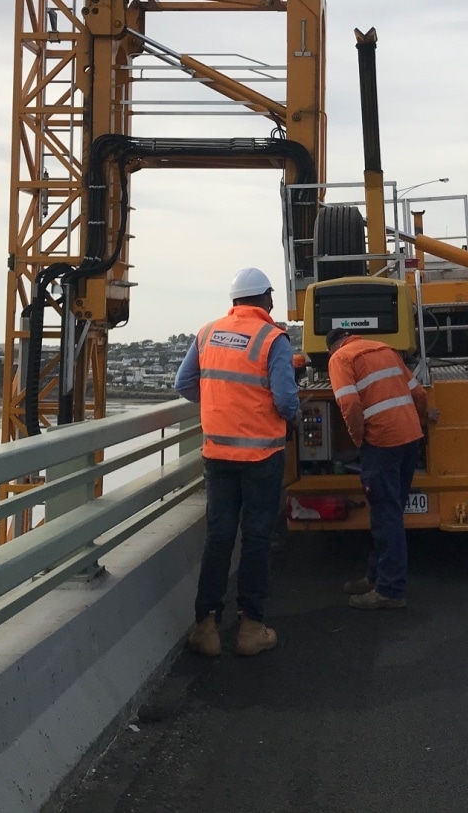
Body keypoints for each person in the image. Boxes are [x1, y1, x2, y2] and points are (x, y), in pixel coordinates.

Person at [174, 266, 299, 657]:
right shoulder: (271, 338)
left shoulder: (208, 333)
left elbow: (183, 383)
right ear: (264, 299)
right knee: (257, 538)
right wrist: (291, 415)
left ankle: (206, 628)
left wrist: (219, 405)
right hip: (261, 455)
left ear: (233, 302)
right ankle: (251, 628)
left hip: (217, 454)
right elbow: (284, 398)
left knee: (219, 536)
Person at [326, 327, 437, 610]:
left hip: (382, 443)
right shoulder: (386, 350)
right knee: (390, 511)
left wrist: (359, 437)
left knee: (386, 516)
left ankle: (389, 589)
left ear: (333, 347)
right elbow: (419, 394)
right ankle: (376, 576)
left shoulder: (340, 359)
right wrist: (420, 420)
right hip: (410, 438)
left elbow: (349, 403)